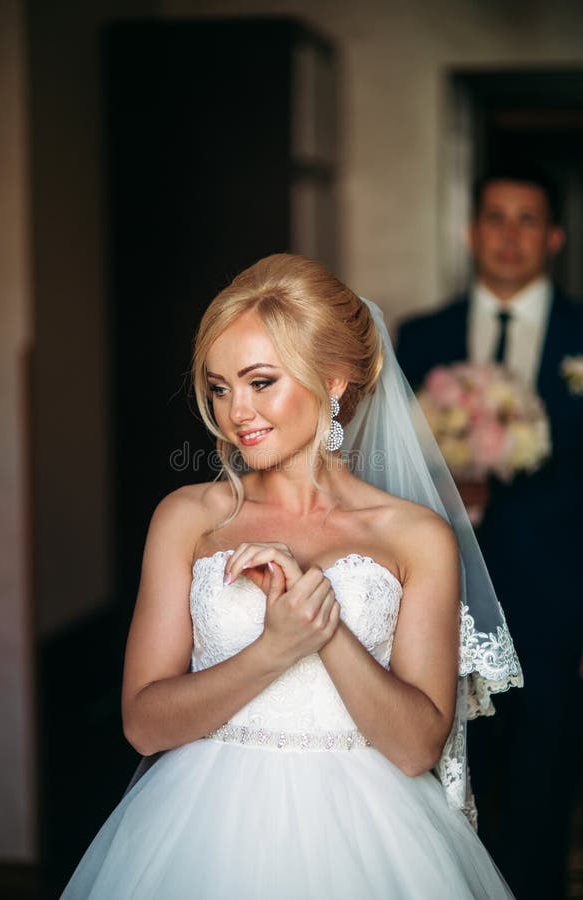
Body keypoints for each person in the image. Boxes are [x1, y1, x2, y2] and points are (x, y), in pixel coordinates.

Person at [62, 253, 522, 899]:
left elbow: (418, 747)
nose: (234, 413)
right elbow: (143, 723)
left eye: (260, 382)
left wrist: (320, 628)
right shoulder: (188, 518)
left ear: (333, 381)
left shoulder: (415, 535)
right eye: (219, 387)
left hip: (371, 838)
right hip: (202, 829)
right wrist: (272, 650)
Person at [396, 169, 583, 900]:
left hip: (555, 616)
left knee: (541, 800)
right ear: (472, 232)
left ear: (555, 237)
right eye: (495, 218)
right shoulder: (420, 336)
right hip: (437, 614)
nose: (510, 235)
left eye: (528, 219)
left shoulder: (581, 337)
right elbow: (384, 472)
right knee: (442, 800)